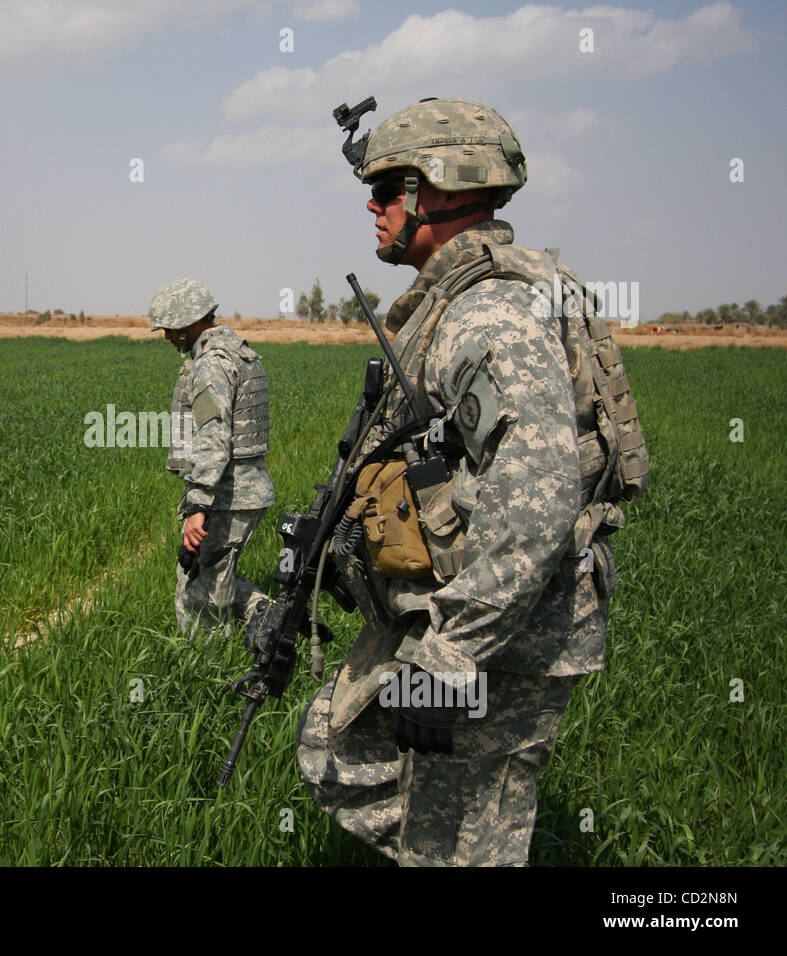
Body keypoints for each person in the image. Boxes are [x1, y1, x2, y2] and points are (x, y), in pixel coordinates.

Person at [295, 98, 648, 865]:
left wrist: (452, 657)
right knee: (334, 742)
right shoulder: (462, 300)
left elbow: (541, 490)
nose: (373, 205)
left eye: (389, 188)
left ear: (443, 190)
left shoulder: (488, 314)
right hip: (463, 619)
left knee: (456, 847)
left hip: (502, 638)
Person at [148, 279, 275, 635]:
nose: (168, 339)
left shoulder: (211, 364)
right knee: (212, 573)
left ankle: (205, 668)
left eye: (170, 330)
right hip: (241, 489)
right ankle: (267, 612)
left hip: (226, 493)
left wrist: (197, 505)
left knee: (196, 594)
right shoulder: (234, 350)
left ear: (187, 323)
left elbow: (213, 437)